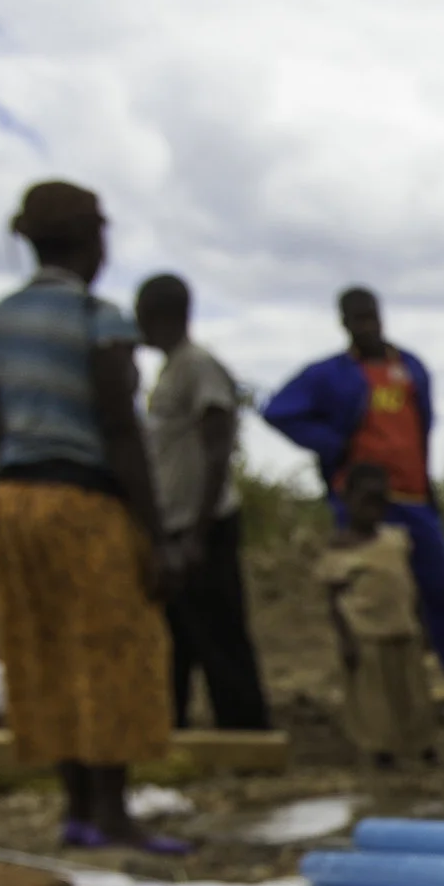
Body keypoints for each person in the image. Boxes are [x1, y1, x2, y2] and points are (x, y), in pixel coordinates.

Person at [0, 179, 188, 853]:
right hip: (83, 501)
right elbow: (122, 430)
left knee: (45, 644)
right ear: (91, 240)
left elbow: (1, 419)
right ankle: (114, 811)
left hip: (14, 499)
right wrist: (155, 536)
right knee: (112, 644)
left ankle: (76, 809)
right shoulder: (100, 319)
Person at [262, 286, 444, 682]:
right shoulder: (330, 374)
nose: (368, 326)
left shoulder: (411, 367)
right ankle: (374, 698)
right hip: (365, 508)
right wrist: (333, 444)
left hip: (415, 499)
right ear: (345, 324)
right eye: (358, 319)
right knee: (369, 603)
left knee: (440, 594)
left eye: (372, 316)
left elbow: (422, 430)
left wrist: (427, 481)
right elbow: (278, 409)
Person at [136, 273, 270, 730]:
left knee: (221, 635)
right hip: (178, 525)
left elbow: (218, 443)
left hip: (203, 525)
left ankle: (247, 734)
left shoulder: (197, 365)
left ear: (158, 315)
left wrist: (198, 531)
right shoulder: (170, 371)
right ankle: (173, 728)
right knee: (180, 634)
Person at [318, 462, 435, 768]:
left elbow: (410, 585)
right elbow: (333, 601)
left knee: (413, 695)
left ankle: (422, 747)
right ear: (347, 500)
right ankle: (382, 753)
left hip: (404, 629)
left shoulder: (396, 539)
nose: (373, 510)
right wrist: (345, 640)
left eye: (380, 502)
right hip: (366, 635)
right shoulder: (339, 551)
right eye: (366, 501)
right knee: (374, 703)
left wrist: (423, 625)